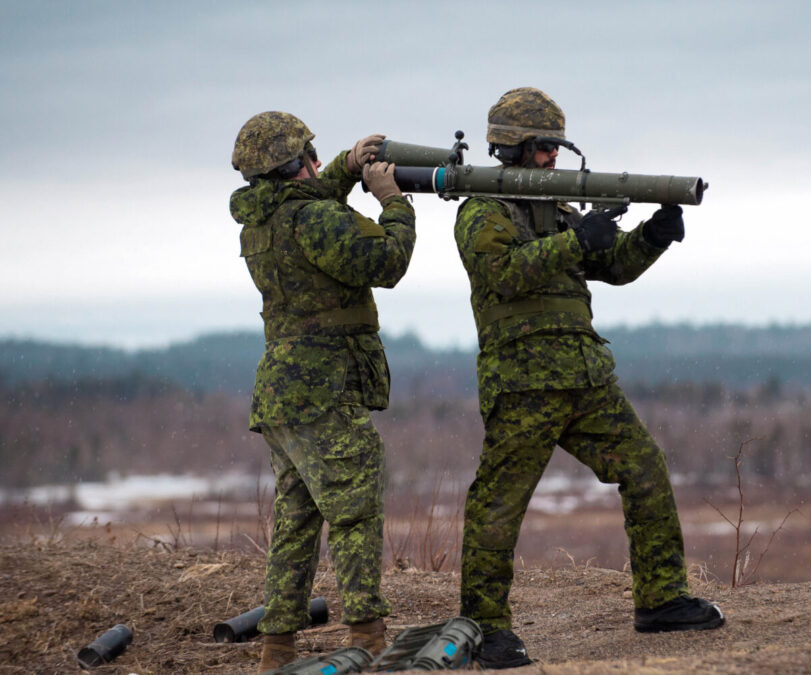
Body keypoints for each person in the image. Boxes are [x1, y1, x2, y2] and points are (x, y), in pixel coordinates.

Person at [453, 88, 725, 669]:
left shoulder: (558, 212)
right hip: (523, 385)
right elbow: (502, 274)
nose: (554, 156)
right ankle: (484, 628)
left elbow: (613, 266)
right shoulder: (481, 211)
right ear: (516, 147)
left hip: (586, 379)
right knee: (499, 505)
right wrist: (573, 241)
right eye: (545, 146)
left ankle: (661, 600)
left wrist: (651, 237)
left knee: (645, 468)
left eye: (557, 146)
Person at [229, 111, 416, 672]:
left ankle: (277, 647)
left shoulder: (262, 219)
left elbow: (311, 202)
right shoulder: (312, 220)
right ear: (293, 165)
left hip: (282, 394)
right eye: (309, 156)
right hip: (324, 390)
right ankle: (369, 636)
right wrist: (394, 203)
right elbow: (387, 261)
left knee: (297, 517)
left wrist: (347, 162)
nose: (315, 163)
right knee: (355, 510)